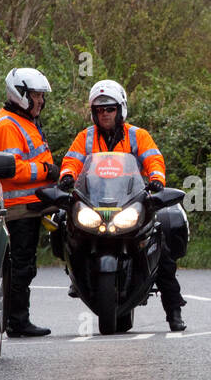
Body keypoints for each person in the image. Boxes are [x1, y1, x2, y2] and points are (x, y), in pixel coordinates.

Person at [58, 79, 186, 332]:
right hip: (96, 204)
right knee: (66, 226)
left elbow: (153, 160)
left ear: (121, 109)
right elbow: (72, 160)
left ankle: (174, 310)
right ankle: (78, 276)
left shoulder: (138, 136)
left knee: (161, 251)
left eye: (110, 109)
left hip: (132, 202)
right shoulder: (85, 137)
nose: (104, 114)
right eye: (99, 110)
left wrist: (157, 180)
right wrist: (66, 176)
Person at [0, 67, 57, 337]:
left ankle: (18, 318)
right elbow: (11, 169)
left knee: (24, 265)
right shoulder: (8, 126)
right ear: (21, 95)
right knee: (20, 266)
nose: (41, 100)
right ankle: (17, 320)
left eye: (41, 95)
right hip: (18, 211)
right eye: (37, 95)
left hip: (30, 208)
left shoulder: (23, 121)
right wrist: (46, 171)